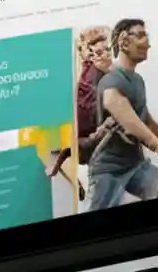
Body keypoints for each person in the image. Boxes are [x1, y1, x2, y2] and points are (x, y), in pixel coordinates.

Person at [85, 18, 158, 211]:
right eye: (141, 35)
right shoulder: (112, 80)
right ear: (124, 41)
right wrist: (157, 144)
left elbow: (144, 117)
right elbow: (122, 112)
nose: (147, 43)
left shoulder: (137, 81)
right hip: (108, 169)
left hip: (134, 164)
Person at [47, 25, 113, 187]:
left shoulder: (103, 75)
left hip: (89, 138)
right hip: (82, 136)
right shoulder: (86, 75)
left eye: (107, 50)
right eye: (98, 51)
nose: (106, 55)